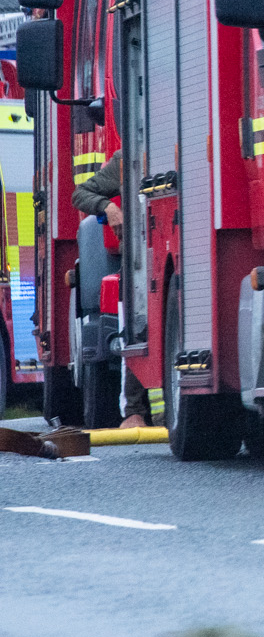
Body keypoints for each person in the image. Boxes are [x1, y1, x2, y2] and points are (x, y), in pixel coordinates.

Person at [70, 148, 148, 428]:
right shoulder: (126, 160)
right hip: (137, 260)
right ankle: (134, 412)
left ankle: (165, 413)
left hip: (173, 250)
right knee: (136, 330)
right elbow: (80, 194)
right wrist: (109, 207)